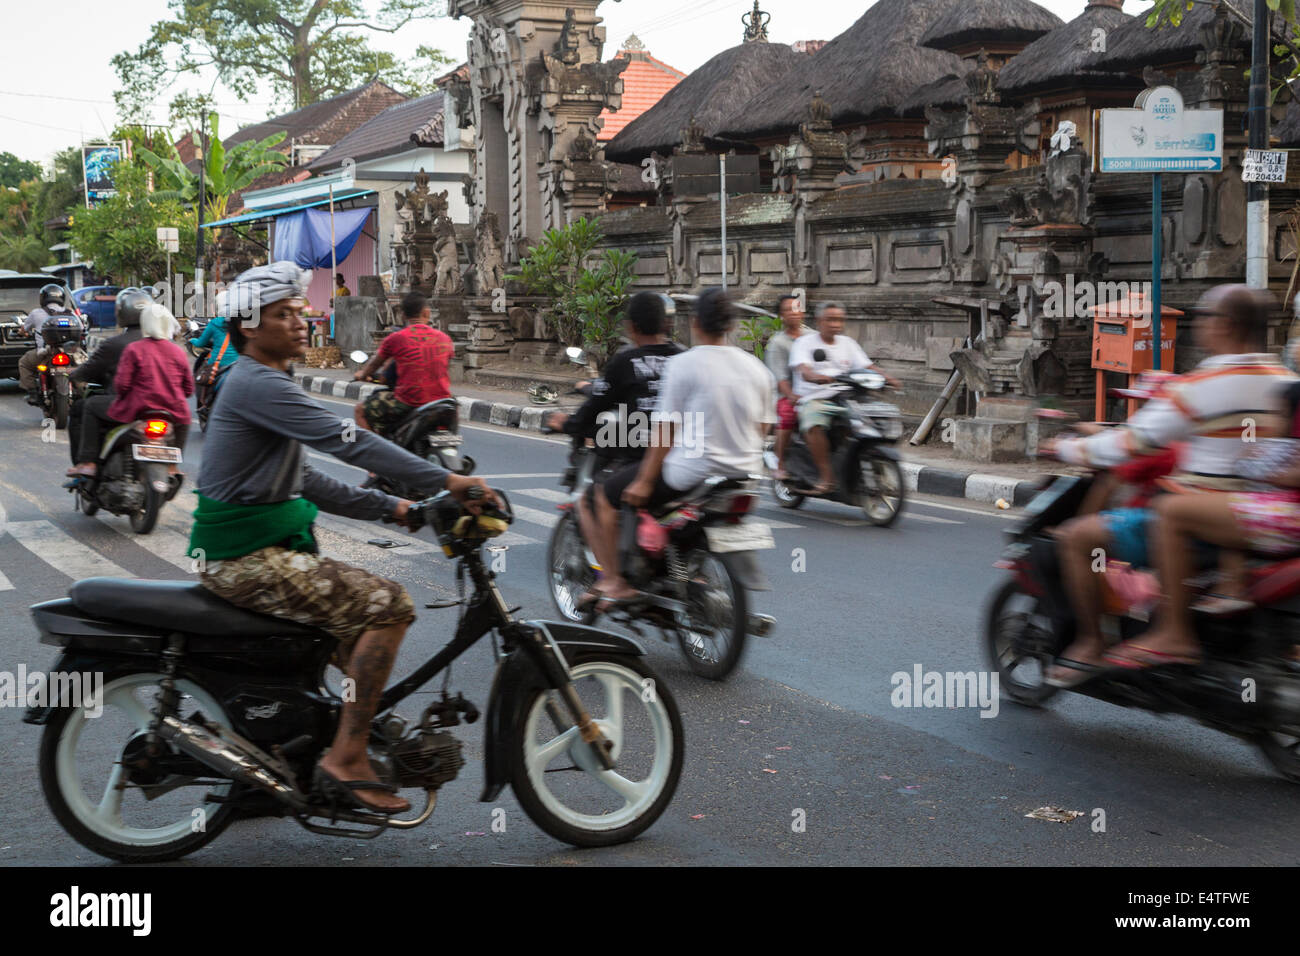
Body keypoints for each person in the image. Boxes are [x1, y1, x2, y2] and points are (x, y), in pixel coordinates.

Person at [190, 262, 495, 814]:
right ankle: (347, 757)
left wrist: (396, 507)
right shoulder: (258, 381)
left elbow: (305, 480)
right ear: (250, 327)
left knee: (355, 649)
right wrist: (450, 480)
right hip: (245, 557)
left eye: (300, 312)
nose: (300, 323)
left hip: (255, 549)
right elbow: (349, 441)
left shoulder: (261, 381)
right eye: (284, 315)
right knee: (389, 606)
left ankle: (289, 756)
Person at [1047, 284, 1297, 678]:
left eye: (1205, 317)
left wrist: (1067, 450)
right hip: (1256, 521)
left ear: (1227, 325)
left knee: (1079, 537)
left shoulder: (1201, 386)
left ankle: (1093, 644)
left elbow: (1133, 443)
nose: (1199, 326)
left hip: (1206, 524)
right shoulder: (1282, 379)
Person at [587, 288, 774, 606]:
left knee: (603, 496)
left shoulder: (684, 364)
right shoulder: (758, 369)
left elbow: (665, 431)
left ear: (695, 322)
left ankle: (616, 582)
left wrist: (645, 481)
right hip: (745, 476)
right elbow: (763, 427)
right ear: (731, 325)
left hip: (691, 473)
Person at [545, 291, 683, 605]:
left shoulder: (626, 360)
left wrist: (565, 424)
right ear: (665, 323)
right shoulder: (682, 356)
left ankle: (614, 580)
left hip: (649, 457)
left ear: (632, 327)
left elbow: (595, 407)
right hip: (689, 456)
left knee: (593, 499)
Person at [68, 301, 195, 479]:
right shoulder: (178, 351)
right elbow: (188, 389)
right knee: (185, 420)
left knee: (89, 406)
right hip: (173, 410)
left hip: (139, 407)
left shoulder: (134, 349)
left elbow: (122, 385)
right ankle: (173, 466)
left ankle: (88, 462)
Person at [788, 302, 901, 494]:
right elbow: (804, 370)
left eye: (839, 320)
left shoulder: (848, 343)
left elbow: (867, 366)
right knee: (814, 424)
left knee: (874, 419)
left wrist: (888, 378)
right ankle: (826, 478)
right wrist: (816, 377)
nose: (835, 324)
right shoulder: (804, 343)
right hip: (816, 398)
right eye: (830, 320)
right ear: (819, 321)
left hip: (848, 398)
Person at [353, 291, 454, 437]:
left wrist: (363, 374)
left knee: (360, 410)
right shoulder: (445, 339)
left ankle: (375, 454)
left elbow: (374, 365)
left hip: (408, 402)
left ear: (403, 316)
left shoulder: (395, 339)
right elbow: (444, 366)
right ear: (426, 313)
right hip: (442, 400)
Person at [764, 294, 808, 480]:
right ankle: (780, 462)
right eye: (788, 310)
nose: (793, 313)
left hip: (813, 392)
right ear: (781, 316)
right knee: (788, 414)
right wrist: (791, 395)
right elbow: (780, 378)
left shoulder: (812, 337)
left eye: (796, 308)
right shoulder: (777, 343)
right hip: (786, 395)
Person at [18, 284, 80, 406]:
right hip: (70, 353)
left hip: (46, 353)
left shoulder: (36, 313)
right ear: (61, 298)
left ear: (43, 298)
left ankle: (33, 393)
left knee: (24, 363)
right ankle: (81, 390)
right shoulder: (70, 313)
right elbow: (82, 329)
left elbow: (23, 329)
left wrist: (22, 333)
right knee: (82, 368)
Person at [190, 313, 238, 394]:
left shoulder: (214, 323)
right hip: (237, 362)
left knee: (201, 374)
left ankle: (203, 400)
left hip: (218, 363)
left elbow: (200, 343)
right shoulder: (241, 323)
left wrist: (192, 340)